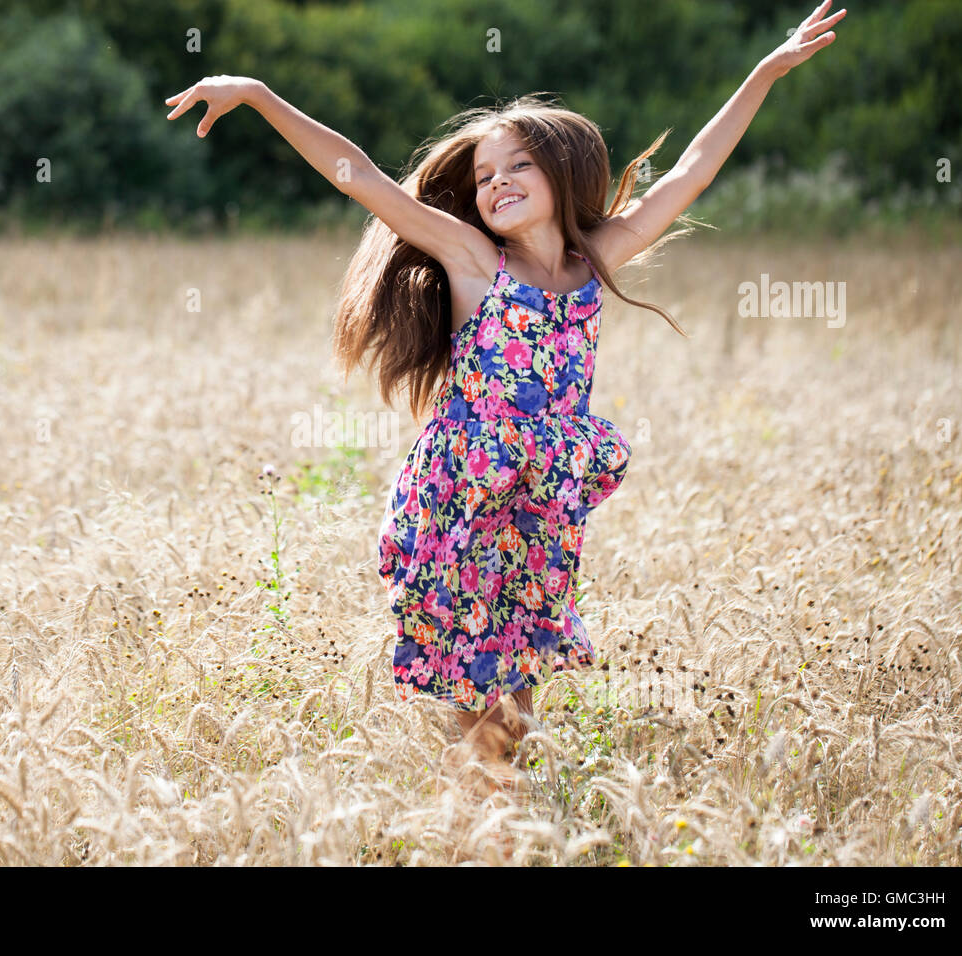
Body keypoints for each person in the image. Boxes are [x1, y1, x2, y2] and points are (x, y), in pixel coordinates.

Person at [165, 2, 845, 796]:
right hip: (462, 498)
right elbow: (361, 176)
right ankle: (484, 825)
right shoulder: (471, 258)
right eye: (485, 177)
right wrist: (259, 95)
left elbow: (693, 170)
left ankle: (495, 822)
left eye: (517, 166)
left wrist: (764, 71)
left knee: (518, 709)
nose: (496, 185)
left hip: (538, 508)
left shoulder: (597, 260)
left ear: (563, 175)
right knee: (477, 698)